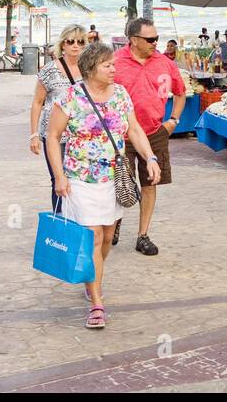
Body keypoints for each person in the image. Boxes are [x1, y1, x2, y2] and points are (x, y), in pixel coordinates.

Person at [46, 41, 161, 328]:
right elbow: (52, 135)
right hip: (80, 180)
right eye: (107, 65)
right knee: (93, 237)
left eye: (113, 64)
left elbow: (133, 129)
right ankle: (97, 302)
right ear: (90, 68)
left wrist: (150, 157)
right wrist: (59, 176)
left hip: (113, 178)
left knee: (108, 236)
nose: (114, 69)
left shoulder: (120, 94)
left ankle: (92, 276)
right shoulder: (70, 97)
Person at [113, 18, 185, 256]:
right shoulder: (114, 62)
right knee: (120, 183)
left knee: (150, 183)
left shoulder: (165, 63)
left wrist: (173, 121)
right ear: (133, 40)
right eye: (150, 39)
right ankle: (113, 223)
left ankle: (142, 235)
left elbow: (180, 92)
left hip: (155, 132)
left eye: (157, 38)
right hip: (121, 134)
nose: (156, 43)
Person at [29, 24, 86, 209]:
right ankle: (62, 223)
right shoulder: (49, 70)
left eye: (80, 41)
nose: (75, 45)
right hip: (55, 135)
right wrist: (34, 134)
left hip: (82, 135)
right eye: (70, 41)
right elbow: (38, 102)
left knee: (81, 180)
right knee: (58, 179)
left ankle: (80, 221)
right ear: (63, 44)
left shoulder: (91, 69)